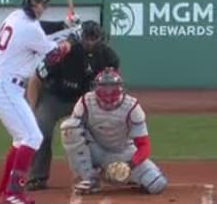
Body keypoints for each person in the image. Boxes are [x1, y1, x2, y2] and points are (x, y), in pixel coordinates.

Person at [0, 0, 76, 204]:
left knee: (21, 139)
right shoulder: (30, 29)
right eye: (37, 1)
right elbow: (55, 54)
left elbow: (39, 27)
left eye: (44, 3)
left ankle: (4, 191)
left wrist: (63, 25)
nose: (40, 6)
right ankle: (14, 194)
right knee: (32, 137)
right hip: (6, 86)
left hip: (4, 86)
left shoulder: (15, 16)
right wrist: (71, 40)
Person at [27, 19, 119, 190]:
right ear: (80, 37)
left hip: (85, 99)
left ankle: (96, 173)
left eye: (95, 38)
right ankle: (37, 177)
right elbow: (36, 79)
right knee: (40, 130)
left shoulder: (108, 56)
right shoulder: (62, 52)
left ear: (100, 38)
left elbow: (113, 84)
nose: (91, 42)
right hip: (54, 97)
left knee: (101, 129)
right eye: (87, 38)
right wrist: (32, 109)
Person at [61, 68, 167, 196]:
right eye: (104, 87)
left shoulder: (132, 106)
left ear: (120, 88)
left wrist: (129, 166)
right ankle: (88, 178)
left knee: (157, 184)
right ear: (96, 87)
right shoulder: (85, 101)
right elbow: (74, 130)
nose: (108, 91)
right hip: (95, 149)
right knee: (69, 127)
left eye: (112, 87)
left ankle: (124, 178)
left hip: (123, 152)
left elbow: (144, 146)